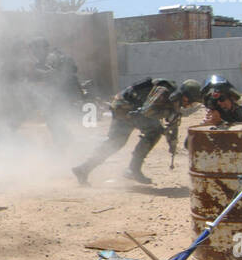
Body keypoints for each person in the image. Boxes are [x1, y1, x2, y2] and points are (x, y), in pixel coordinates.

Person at [71, 78, 202, 185]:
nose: (189, 105)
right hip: (124, 107)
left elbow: (173, 126)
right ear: (184, 96)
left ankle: (83, 169)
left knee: (117, 142)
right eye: (190, 101)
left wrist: (172, 145)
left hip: (132, 111)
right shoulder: (163, 92)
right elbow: (147, 111)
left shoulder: (176, 103)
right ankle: (132, 168)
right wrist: (168, 113)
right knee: (149, 132)